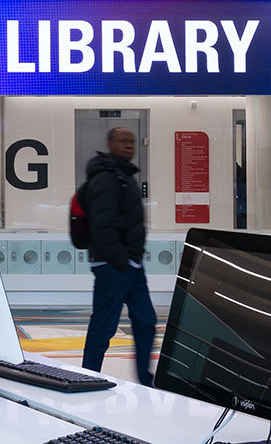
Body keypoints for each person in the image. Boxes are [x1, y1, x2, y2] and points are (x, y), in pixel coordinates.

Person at [80, 127, 157, 385]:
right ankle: (88, 375)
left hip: (130, 264)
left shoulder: (124, 175)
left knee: (146, 321)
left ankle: (145, 379)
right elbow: (103, 225)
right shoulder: (106, 178)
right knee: (104, 326)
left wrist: (130, 260)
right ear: (110, 143)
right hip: (113, 265)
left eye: (132, 142)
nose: (129, 146)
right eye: (123, 141)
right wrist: (121, 260)